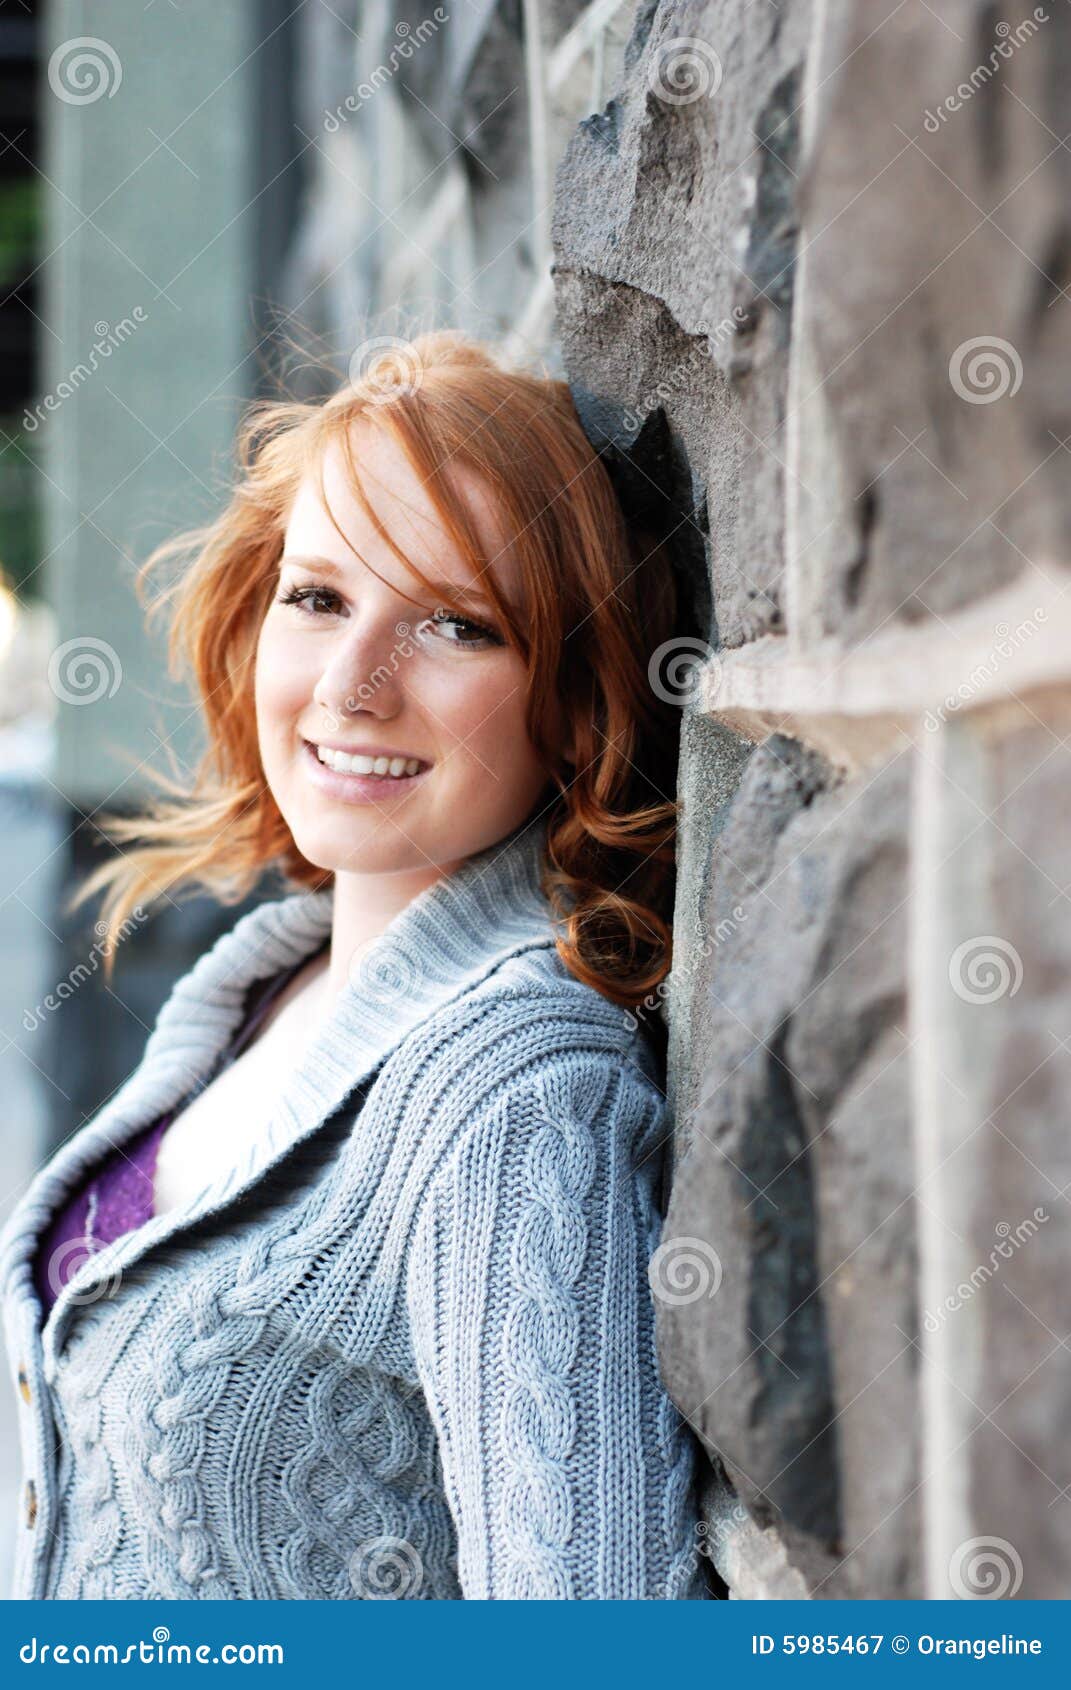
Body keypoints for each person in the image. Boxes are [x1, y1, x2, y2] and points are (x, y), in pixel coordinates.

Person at [0, 330, 710, 1600]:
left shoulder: (512, 1085)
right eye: (320, 597)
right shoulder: (256, 987)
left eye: (456, 623)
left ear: (579, 699)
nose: (352, 683)